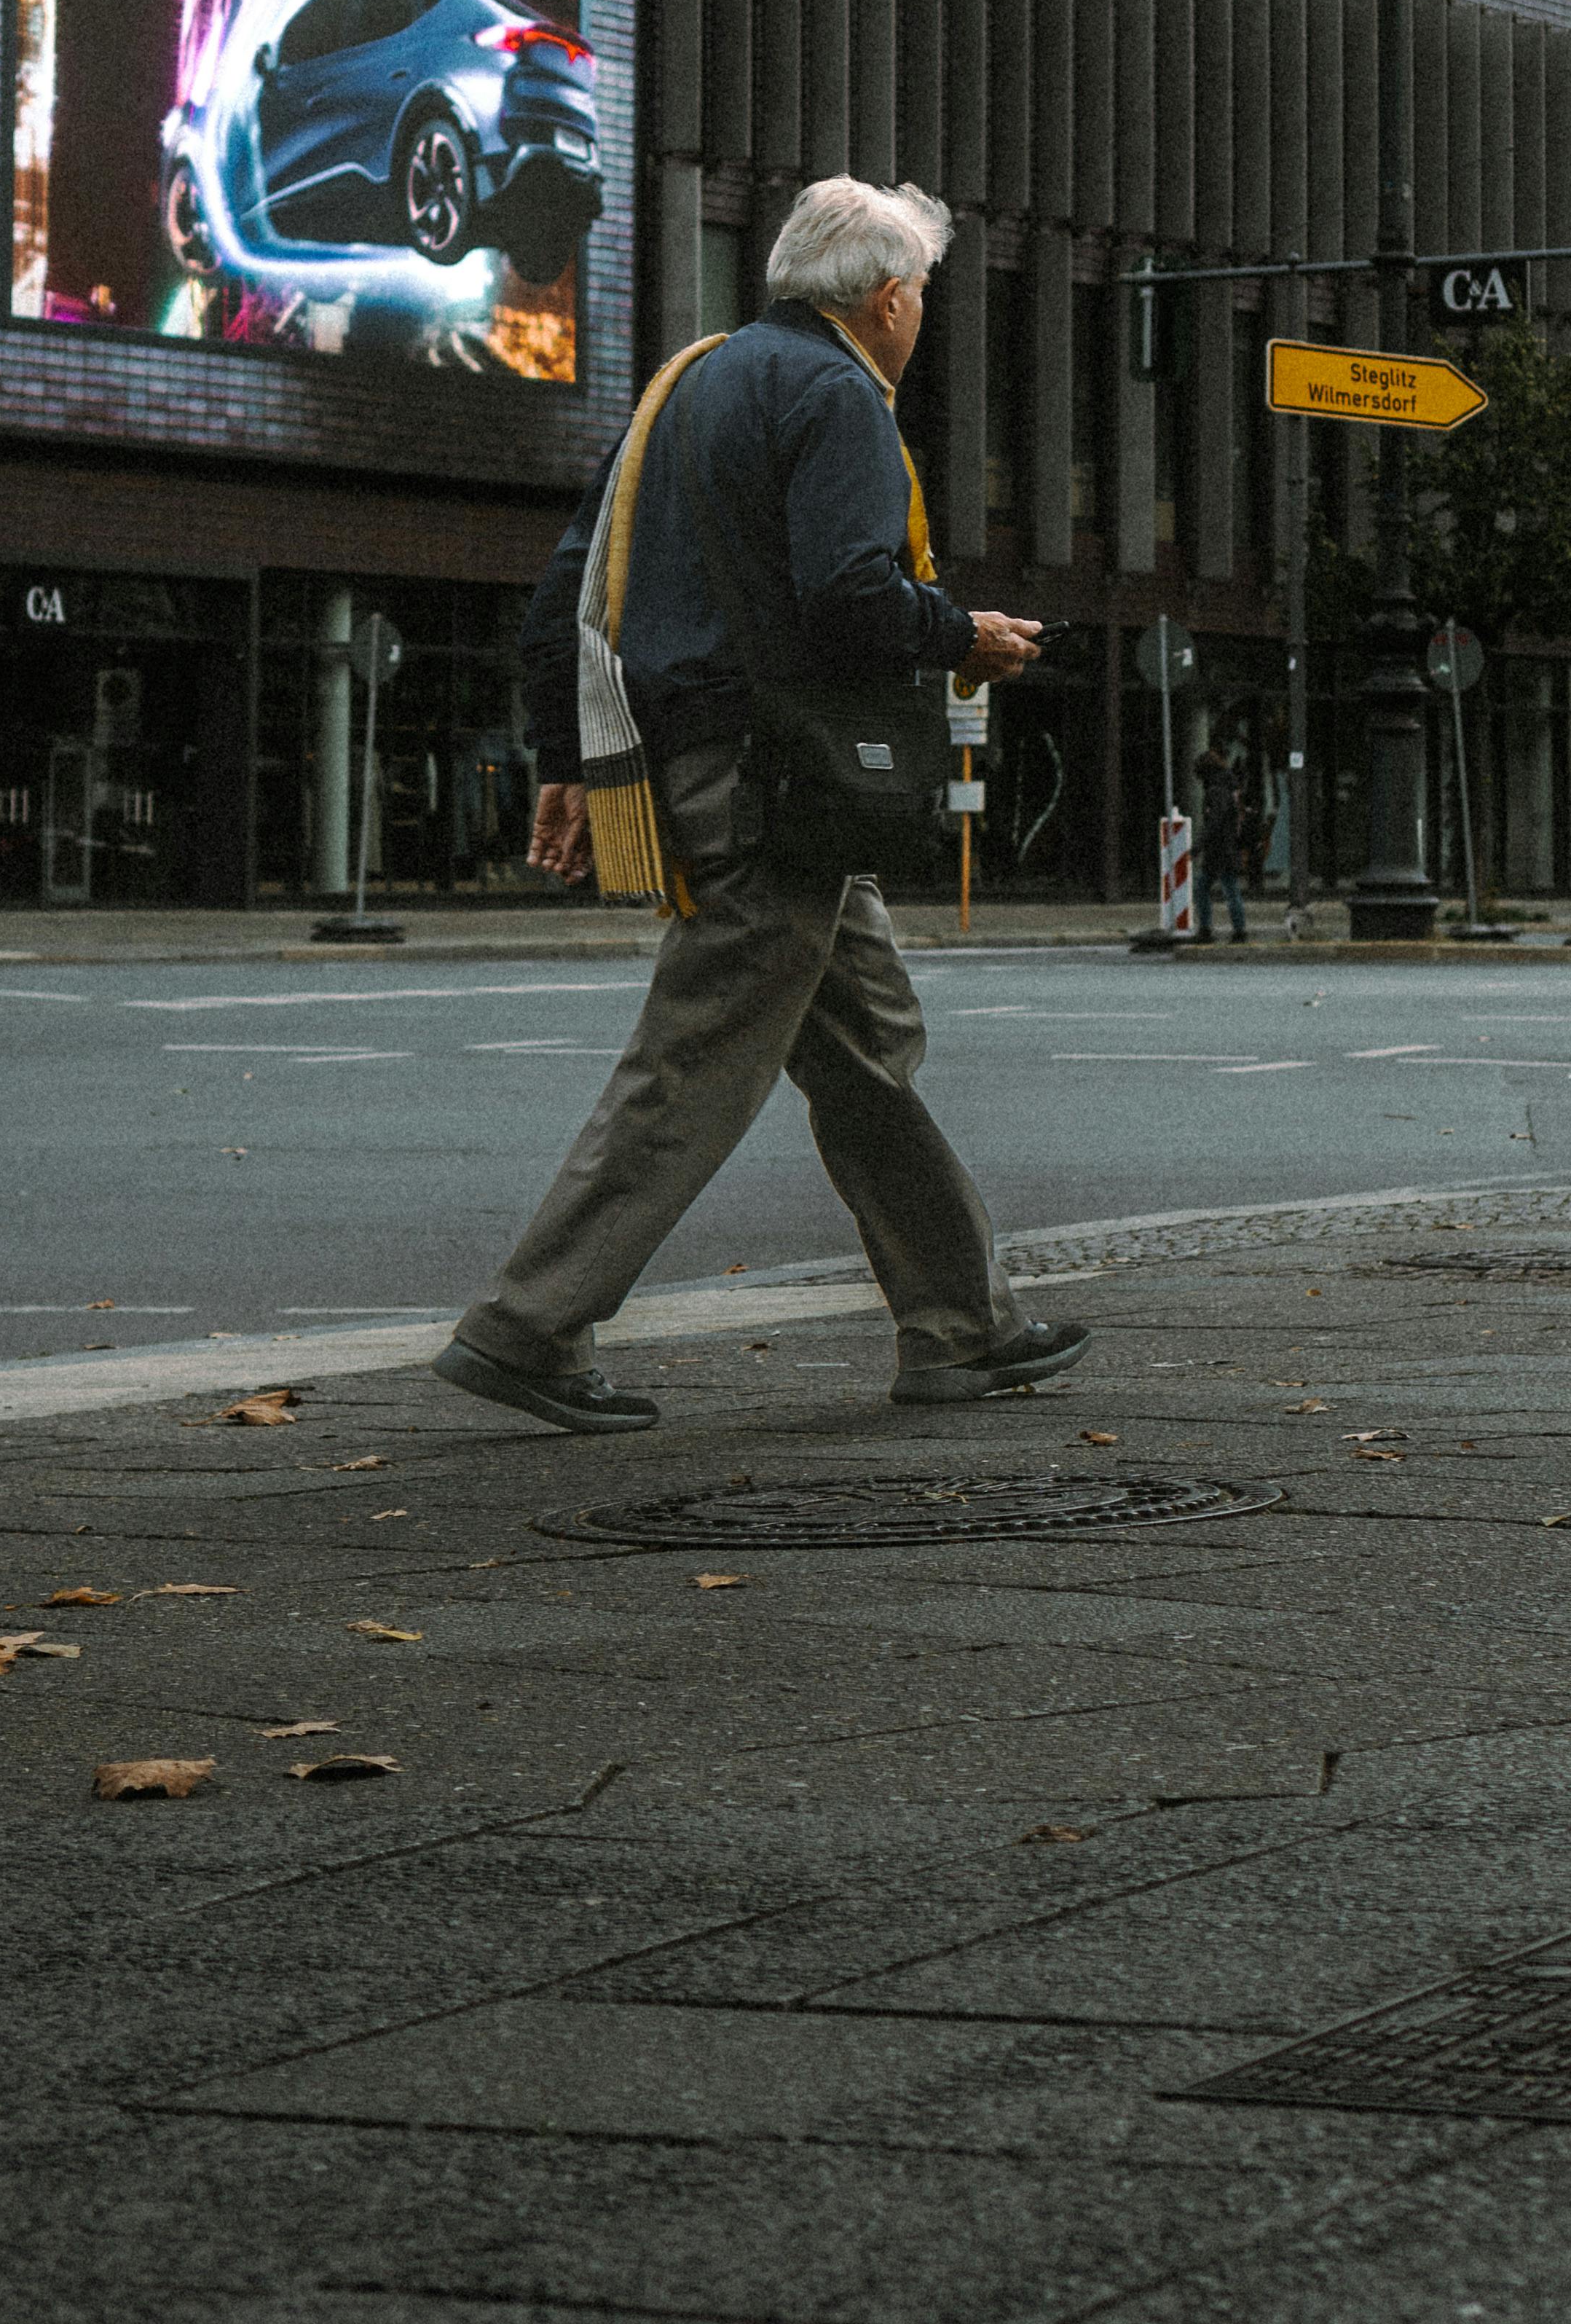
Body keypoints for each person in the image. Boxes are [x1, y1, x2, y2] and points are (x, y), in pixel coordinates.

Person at [436, 174, 1088, 1434]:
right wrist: (964, 636)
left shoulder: (688, 383)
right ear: (888, 294)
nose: (919, 317)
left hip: (697, 766)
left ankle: (964, 1325)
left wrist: (566, 761)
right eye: (922, 295)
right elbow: (849, 595)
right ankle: (526, 1323)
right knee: (693, 1064)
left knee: (867, 1046)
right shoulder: (839, 393)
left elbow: (568, 590)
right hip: (777, 780)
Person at [1194, 740, 1248, 942]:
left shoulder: (1216, 791)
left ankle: (1209, 929)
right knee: (1229, 889)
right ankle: (1238, 930)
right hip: (1228, 846)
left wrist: (1199, 844)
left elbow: (1215, 821)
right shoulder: (1229, 787)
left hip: (1219, 849)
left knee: (1207, 888)